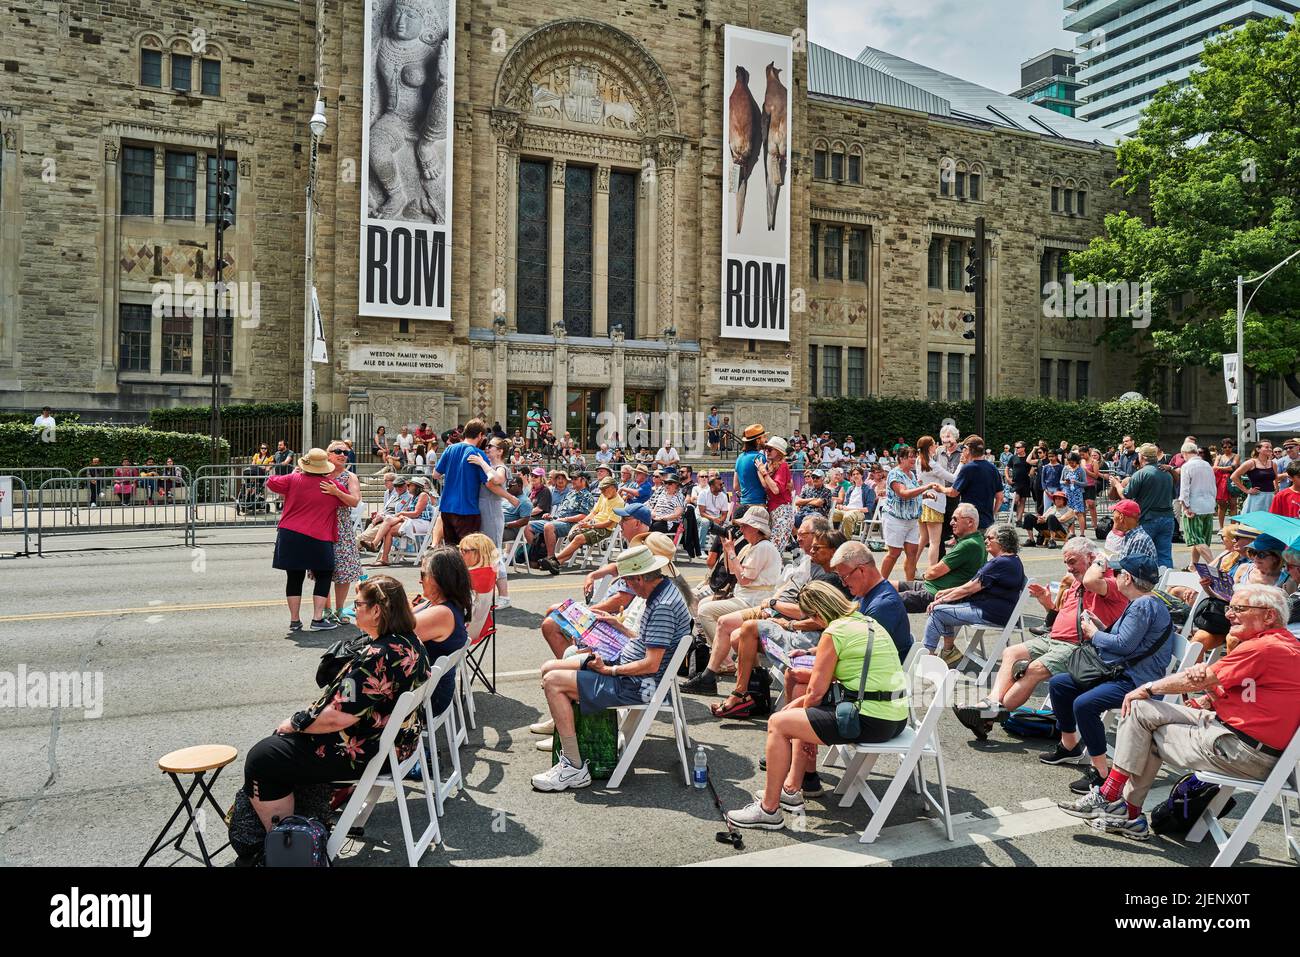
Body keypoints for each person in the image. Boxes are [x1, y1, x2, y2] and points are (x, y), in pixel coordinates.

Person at [1060, 583, 1300, 842]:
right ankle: (1116, 801)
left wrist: (1149, 687)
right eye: (1230, 607)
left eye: (1239, 608)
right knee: (1140, 710)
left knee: (1145, 725)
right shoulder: (1275, 643)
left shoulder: (1263, 648)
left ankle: (1121, 806)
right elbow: (1244, 692)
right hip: (1240, 737)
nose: (1229, 614)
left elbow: (1196, 681)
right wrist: (1206, 691)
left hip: (1244, 751)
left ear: (1268, 615)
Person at [244, 575, 430, 832]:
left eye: (358, 604)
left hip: (370, 750)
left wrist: (295, 723)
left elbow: (338, 717)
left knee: (263, 758)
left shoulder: (377, 657)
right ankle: (301, 824)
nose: (354, 609)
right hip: (399, 743)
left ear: (376, 611)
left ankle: (286, 846)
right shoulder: (410, 642)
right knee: (278, 751)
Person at [726, 581, 908, 830]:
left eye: (811, 617)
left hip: (870, 718)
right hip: (894, 717)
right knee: (795, 713)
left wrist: (799, 725)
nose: (813, 622)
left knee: (778, 723)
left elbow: (815, 693)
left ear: (819, 613)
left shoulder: (835, 632)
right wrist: (803, 721)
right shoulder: (866, 621)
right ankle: (790, 789)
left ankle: (769, 810)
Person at [531, 544, 694, 792]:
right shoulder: (664, 591)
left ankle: (574, 767)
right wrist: (619, 630)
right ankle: (571, 739)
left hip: (638, 683)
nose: (627, 587)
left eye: (628, 582)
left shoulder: (661, 606)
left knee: (553, 681)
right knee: (549, 669)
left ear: (639, 578)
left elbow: (651, 663)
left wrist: (609, 671)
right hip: (631, 670)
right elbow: (648, 643)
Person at [954, 537, 1129, 735]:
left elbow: (1091, 582)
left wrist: (1101, 559)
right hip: (1054, 639)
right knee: (1011, 653)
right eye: (1066, 563)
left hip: (1077, 647)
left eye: (1072, 562)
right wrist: (1047, 603)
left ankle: (988, 715)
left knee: (1034, 669)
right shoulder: (1077, 582)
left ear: (1091, 558)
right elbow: (1060, 615)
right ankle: (991, 704)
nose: (1069, 568)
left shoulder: (1109, 583)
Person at [1047, 554, 1174, 794]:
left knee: (1084, 705)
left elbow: (1124, 646)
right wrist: (1102, 628)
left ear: (1127, 577)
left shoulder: (1143, 605)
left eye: (1116, 574)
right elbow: (1128, 641)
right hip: (1121, 670)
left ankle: (1101, 773)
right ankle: (1070, 745)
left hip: (1136, 680)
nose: (1113, 579)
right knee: (1060, 684)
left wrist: (1094, 633)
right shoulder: (1142, 602)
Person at [707, 522, 850, 720]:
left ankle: (739, 693)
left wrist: (785, 621)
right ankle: (755, 695)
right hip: (791, 622)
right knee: (738, 636)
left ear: (834, 551)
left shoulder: (831, 580)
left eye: (817, 547)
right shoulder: (817, 569)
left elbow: (820, 620)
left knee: (743, 628)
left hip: (810, 640)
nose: (811, 550)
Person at [684, 506, 784, 694]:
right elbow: (733, 570)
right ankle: (721, 666)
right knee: (707, 609)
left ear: (755, 528)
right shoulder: (751, 546)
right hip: (747, 597)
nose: (742, 529)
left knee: (707, 612)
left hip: (754, 601)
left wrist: (731, 552)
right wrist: (727, 547)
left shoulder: (763, 547)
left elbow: (744, 578)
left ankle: (721, 664)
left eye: (745, 526)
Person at [923, 524, 1026, 665]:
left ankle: (927, 658)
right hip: (997, 610)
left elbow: (970, 589)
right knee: (945, 607)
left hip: (990, 612)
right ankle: (948, 652)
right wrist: (948, 592)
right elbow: (972, 584)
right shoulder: (1012, 560)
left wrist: (940, 600)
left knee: (936, 612)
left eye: (990, 538)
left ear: (1002, 541)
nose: (986, 541)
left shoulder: (1000, 563)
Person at [267, 448, 343, 632]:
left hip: (290, 533)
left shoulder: (293, 480)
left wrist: (293, 473)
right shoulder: (331, 485)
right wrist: (336, 490)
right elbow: (350, 501)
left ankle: (294, 620)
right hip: (319, 535)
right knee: (324, 574)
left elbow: (271, 482)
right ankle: (317, 619)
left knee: (294, 576)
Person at [413, 546, 472, 718]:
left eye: (423, 575)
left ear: (440, 579)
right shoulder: (440, 604)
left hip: (427, 698)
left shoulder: (442, 613)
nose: (420, 581)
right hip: (427, 689)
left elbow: (390, 633)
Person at [828, 540, 913, 660]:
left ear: (862, 570)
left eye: (844, 577)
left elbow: (857, 653)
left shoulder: (883, 606)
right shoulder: (864, 593)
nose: (844, 584)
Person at [896, 503, 985, 614]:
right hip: (930, 586)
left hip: (936, 593)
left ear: (970, 522)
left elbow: (932, 573)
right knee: (885, 585)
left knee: (884, 600)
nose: (951, 522)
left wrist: (926, 574)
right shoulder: (975, 540)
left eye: (955, 519)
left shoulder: (969, 544)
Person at [1109, 442, 1175, 570]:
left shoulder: (1141, 473)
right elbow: (1172, 495)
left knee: (1141, 553)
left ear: (1142, 457)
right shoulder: (1166, 474)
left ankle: (1141, 584)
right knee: (1164, 555)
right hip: (1167, 518)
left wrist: (1116, 484)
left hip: (1148, 518)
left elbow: (1126, 495)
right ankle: (1166, 583)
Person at [318, 441, 363, 623]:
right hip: (321, 526)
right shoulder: (319, 474)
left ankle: (339, 609)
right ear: (328, 454)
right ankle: (326, 609)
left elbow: (354, 501)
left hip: (342, 528)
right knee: (322, 570)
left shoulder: (350, 477)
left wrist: (337, 492)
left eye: (346, 452)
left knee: (343, 570)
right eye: (338, 451)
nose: (343, 454)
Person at [879, 445, 937, 583]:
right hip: (895, 519)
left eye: (914, 456)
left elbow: (913, 494)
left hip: (911, 519)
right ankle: (878, 585)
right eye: (910, 456)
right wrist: (926, 487)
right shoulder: (895, 474)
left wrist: (925, 495)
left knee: (912, 554)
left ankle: (910, 587)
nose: (913, 459)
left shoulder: (911, 475)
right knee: (894, 553)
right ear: (901, 458)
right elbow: (904, 494)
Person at [546, 475, 626, 571]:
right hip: (593, 523)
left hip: (604, 529)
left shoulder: (619, 502)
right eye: (601, 489)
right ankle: (557, 563)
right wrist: (583, 522)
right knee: (574, 533)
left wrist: (590, 525)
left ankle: (554, 559)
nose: (602, 492)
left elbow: (609, 523)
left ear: (613, 488)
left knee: (578, 538)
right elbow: (593, 512)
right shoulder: (603, 496)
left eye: (605, 489)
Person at [430, 418, 489, 546]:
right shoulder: (478, 454)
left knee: (451, 551)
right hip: (467, 509)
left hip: (447, 507)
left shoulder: (450, 449)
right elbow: (489, 482)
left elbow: (435, 474)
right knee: (469, 551)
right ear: (480, 435)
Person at [917, 436, 957, 567]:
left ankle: (911, 565)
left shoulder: (919, 460)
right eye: (934, 444)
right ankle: (932, 571)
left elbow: (936, 449)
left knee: (923, 539)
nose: (936, 446)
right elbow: (953, 478)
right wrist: (962, 463)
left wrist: (946, 444)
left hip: (923, 503)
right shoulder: (932, 464)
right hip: (935, 504)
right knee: (935, 541)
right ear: (929, 447)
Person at [376, 475, 433, 566]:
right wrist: (401, 515)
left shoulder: (423, 495)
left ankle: (381, 553)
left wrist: (400, 514)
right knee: (389, 525)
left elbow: (416, 513)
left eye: (410, 485)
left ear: (416, 486)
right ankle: (383, 556)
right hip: (414, 521)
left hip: (422, 523)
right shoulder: (413, 497)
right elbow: (407, 511)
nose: (408, 487)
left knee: (389, 528)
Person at [951, 434, 1004, 530]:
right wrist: (992, 514)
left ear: (968, 450)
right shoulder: (993, 468)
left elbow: (953, 492)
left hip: (968, 522)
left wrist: (939, 488)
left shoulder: (968, 468)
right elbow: (1000, 498)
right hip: (987, 521)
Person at [1179, 443, 1217, 567]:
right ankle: (1193, 565)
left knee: (1196, 539)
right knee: (1202, 539)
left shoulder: (1187, 466)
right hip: (1208, 505)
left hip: (1194, 506)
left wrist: (1185, 507)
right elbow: (1213, 487)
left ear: (1184, 453)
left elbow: (1184, 489)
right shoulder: (1207, 465)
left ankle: (1214, 566)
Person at [758, 435, 796, 552]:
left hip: (782, 511)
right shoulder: (768, 466)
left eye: (770, 449)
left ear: (779, 452)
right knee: (772, 550)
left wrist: (763, 472)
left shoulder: (783, 465)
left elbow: (775, 489)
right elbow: (765, 485)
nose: (767, 451)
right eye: (766, 449)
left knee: (774, 550)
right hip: (773, 510)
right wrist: (760, 470)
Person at [1231, 441, 1279, 514]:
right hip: (1257, 498)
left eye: (1270, 447)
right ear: (1258, 449)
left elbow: (1276, 477)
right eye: (1266, 447)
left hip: (1270, 497)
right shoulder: (1251, 463)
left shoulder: (1273, 464)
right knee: (1255, 522)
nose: (1269, 449)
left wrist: (1276, 488)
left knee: (1269, 522)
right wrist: (1246, 490)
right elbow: (1234, 476)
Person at [734, 424, 769, 513]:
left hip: (744, 504)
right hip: (758, 505)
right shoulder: (759, 457)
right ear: (757, 441)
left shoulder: (739, 457)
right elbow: (765, 484)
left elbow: (736, 486)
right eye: (764, 437)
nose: (766, 440)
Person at [835, 466, 875, 539]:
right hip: (847, 510)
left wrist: (849, 509)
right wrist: (841, 506)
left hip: (861, 512)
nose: (855, 476)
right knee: (831, 513)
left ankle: (847, 540)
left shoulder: (869, 489)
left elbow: (868, 509)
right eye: (853, 474)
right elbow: (846, 504)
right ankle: (834, 538)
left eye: (858, 474)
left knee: (847, 516)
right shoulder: (850, 489)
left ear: (862, 475)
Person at [1213, 439, 1240, 529]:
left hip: (1232, 481)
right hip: (1221, 482)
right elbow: (1214, 468)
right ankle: (1221, 528)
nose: (1227, 448)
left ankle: (1233, 528)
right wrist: (1226, 468)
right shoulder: (1219, 457)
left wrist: (1219, 468)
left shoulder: (1236, 456)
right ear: (1222, 448)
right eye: (1225, 447)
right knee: (1221, 504)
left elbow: (1233, 467)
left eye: (1230, 446)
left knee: (1233, 504)